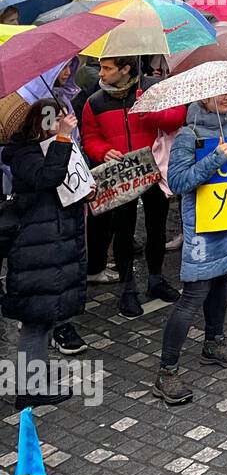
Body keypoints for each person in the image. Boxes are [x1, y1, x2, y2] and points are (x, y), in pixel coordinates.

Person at [154, 93, 227, 405]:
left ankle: (214, 342)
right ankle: (166, 370)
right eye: (219, 93)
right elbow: (177, 182)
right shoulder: (189, 134)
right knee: (193, 296)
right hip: (202, 230)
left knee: (221, 284)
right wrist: (216, 159)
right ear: (202, 98)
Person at [81, 55, 186, 317]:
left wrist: (148, 110)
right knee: (124, 231)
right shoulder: (94, 102)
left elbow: (176, 118)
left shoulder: (153, 88)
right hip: (122, 177)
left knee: (157, 227)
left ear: (126, 69)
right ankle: (128, 289)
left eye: (107, 68)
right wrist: (103, 151)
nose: (101, 74)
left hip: (153, 171)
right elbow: (90, 137)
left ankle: (156, 278)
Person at [2, 100, 86, 408]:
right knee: (36, 320)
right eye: (55, 118)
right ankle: (30, 389)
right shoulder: (24, 155)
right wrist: (64, 139)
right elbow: (47, 178)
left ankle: (34, 374)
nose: (61, 121)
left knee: (46, 316)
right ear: (40, 122)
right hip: (35, 247)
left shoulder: (47, 147)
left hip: (52, 243)